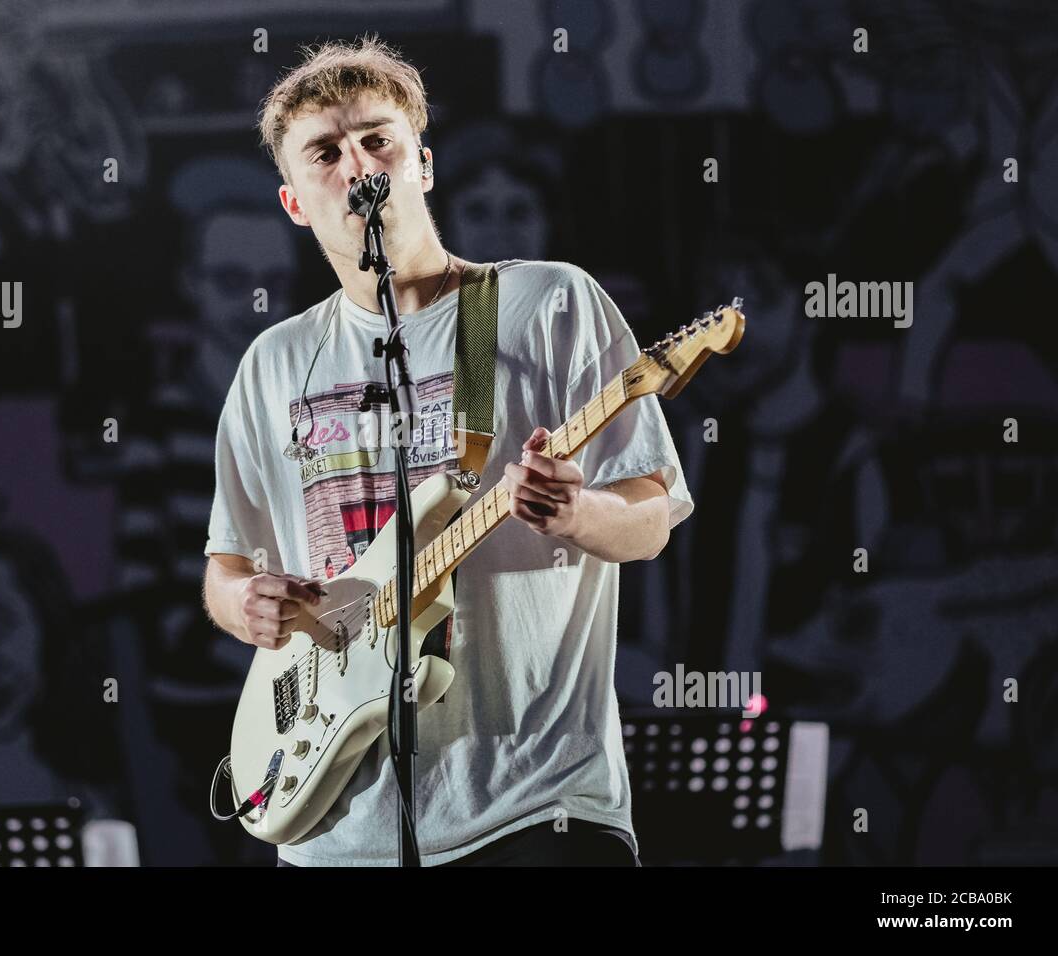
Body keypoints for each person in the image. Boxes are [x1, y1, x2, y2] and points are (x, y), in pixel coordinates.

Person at [202, 37, 694, 867]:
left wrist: (577, 511)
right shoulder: (274, 363)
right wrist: (246, 605)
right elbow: (227, 567)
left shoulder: (547, 303)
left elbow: (649, 518)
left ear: (422, 165)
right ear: (293, 201)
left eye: (377, 139)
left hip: (532, 803)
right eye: (326, 150)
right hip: (336, 825)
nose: (357, 162)